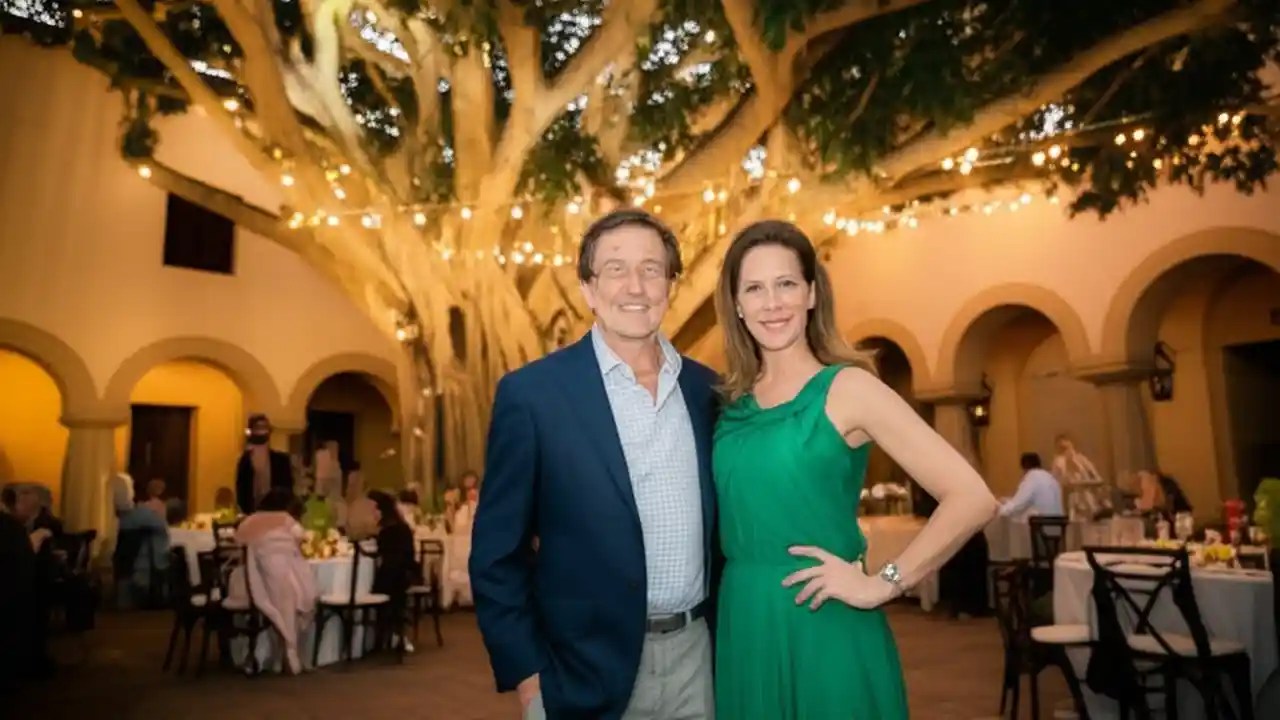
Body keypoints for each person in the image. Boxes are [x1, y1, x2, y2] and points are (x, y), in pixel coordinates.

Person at [711, 220, 998, 720]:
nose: (772, 302)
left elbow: (972, 497)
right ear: (736, 305)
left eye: (786, 284)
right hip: (744, 623)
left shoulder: (849, 389)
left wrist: (884, 582)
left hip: (825, 624)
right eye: (754, 288)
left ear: (811, 294)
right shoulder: (730, 404)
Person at [471, 209, 719, 720]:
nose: (636, 286)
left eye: (652, 269)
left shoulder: (709, 391)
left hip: (700, 663)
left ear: (671, 284)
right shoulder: (533, 395)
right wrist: (527, 678)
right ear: (587, 288)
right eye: (615, 269)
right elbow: (496, 554)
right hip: (579, 674)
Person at [231, 488, 317, 674]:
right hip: (284, 580)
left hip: (250, 582)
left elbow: (237, 545)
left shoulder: (248, 521)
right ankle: (290, 648)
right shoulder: (286, 520)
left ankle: (261, 652)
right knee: (294, 591)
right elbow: (302, 536)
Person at [367, 490, 416, 653]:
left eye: (374, 509)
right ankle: (394, 633)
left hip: (391, 577)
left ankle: (379, 634)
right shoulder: (403, 527)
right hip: (406, 575)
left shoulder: (387, 531)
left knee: (373, 588)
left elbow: (382, 556)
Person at [235, 414, 294, 514]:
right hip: (252, 512)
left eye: (264, 427)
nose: (261, 431)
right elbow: (241, 490)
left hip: (276, 512)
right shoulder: (245, 461)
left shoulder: (281, 460)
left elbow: (287, 488)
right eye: (258, 428)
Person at [999, 453, 1064, 517]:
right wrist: (1007, 501)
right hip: (1058, 525)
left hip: (1042, 524)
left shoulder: (1032, 476)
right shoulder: (1051, 478)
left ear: (1024, 468)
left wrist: (1000, 510)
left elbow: (1017, 505)